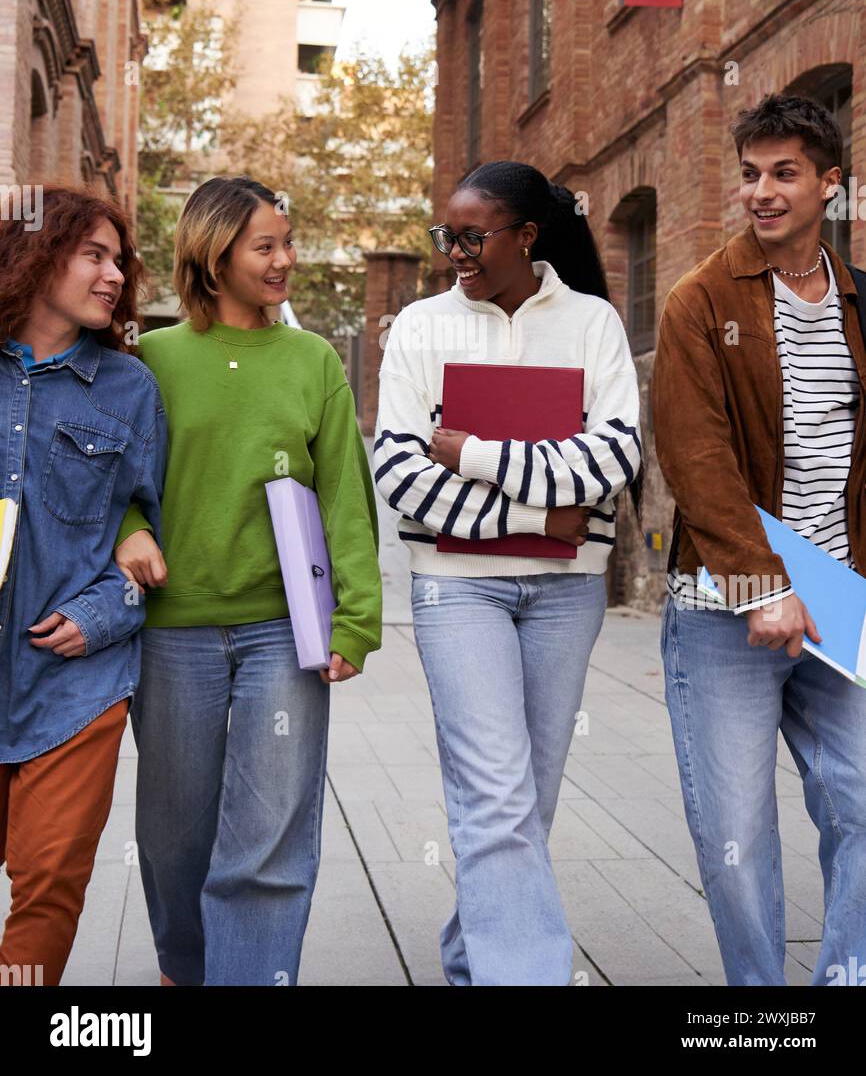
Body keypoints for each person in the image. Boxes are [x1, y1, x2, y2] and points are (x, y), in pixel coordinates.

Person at [373, 161, 642, 986]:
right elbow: (401, 473)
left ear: (526, 236)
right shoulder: (420, 327)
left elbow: (615, 456)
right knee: (497, 793)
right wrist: (538, 514)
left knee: (529, 798)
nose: (454, 250)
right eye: (445, 234)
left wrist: (480, 455)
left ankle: (472, 957)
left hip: (567, 592)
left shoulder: (593, 323)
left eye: (471, 235)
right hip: (456, 587)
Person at [113, 176, 382, 987]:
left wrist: (356, 622)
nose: (285, 260)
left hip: (284, 631)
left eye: (287, 243)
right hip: (172, 631)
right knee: (174, 835)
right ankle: (182, 971)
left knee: (268, 836)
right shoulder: (151, 360)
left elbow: (344, 497)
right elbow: (113, 481)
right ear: (213, 253)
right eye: (266, 246)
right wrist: (130, 532)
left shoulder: (312, 360)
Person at [653, 92, 866, 986]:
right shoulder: (699, 302)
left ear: (830, 184)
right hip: (724, 606)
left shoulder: (860, 303)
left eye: (785, 174)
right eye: (751, 176)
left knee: (861, 802)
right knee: (738, 832)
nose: (763, 193)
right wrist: (761, 583)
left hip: (839, 599)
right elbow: (696, 458)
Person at [0, 186, 166, 985]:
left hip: (74, 681)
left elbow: (157, 540)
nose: (113, 276)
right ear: (34, 254)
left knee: (50, 882)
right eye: (93, 255)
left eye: (118, 260)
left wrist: (103, 612)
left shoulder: (130, 390)